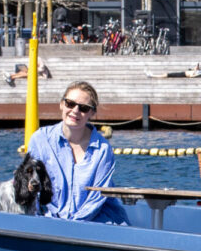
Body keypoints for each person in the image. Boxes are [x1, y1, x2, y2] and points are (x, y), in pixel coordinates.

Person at [25, 81, 128, 224]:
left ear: (92, 113)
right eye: (70, 103)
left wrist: (72, 227)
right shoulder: (40, 140)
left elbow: (96, 199)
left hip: (96, 222)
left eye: (84, 108)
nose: (75, 111)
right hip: (50, 221)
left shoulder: (103, 149)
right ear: (61, 104)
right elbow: (32, 188)